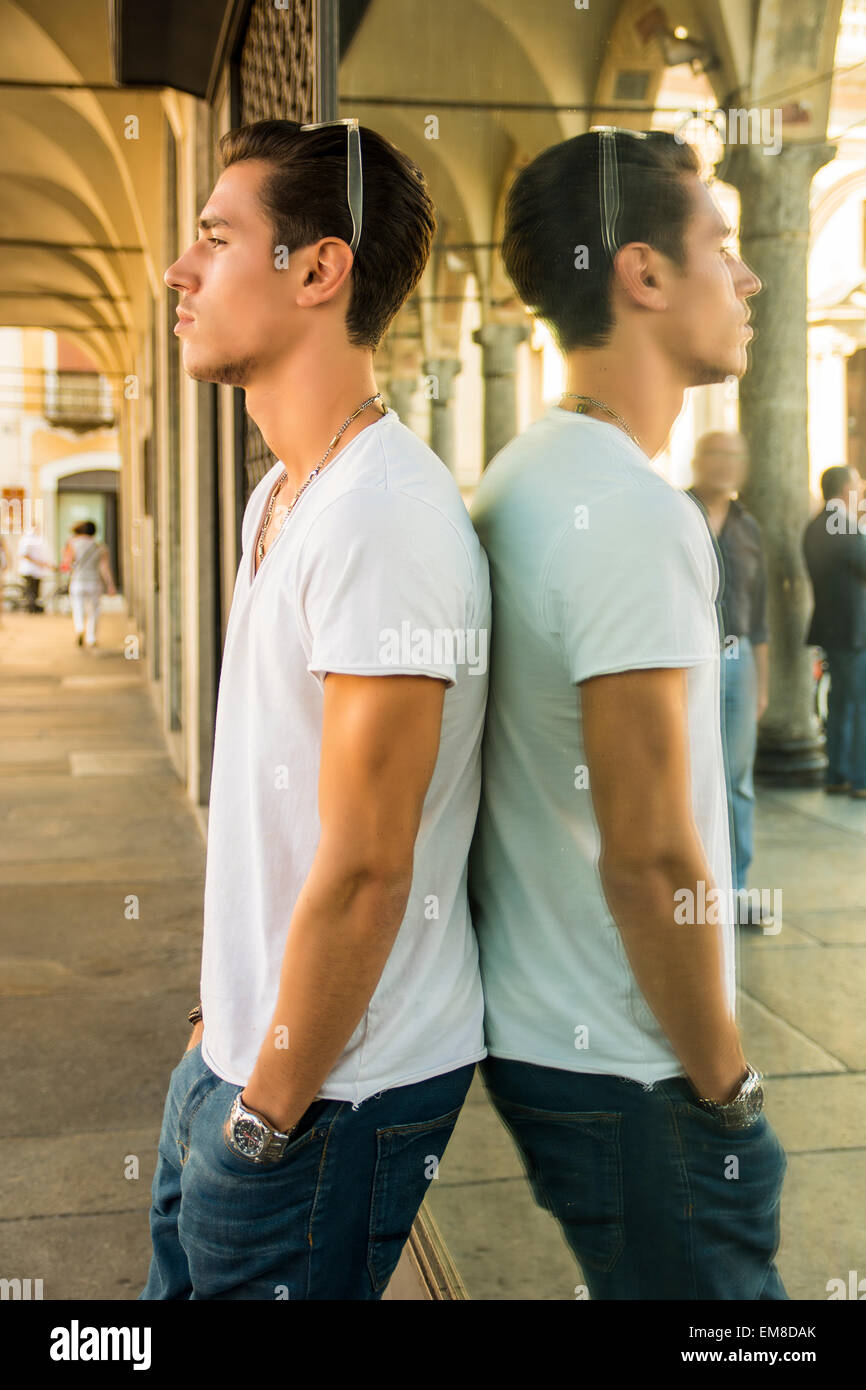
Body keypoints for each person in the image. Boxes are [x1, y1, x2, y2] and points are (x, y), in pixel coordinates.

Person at [140, 118, 490, 1301]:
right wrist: (215, 1030)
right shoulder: (280, 497)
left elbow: (364, 870)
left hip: (329, 1096)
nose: (178, 272)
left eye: (214, 237)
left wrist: (265, 1112)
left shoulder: (379, 517)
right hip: (236, 1056)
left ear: (318, 268)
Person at [469, 128, 787, 1299]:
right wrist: (725, 1086)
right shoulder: (632, 514)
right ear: (642, 274)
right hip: (633, 1068)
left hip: (550, 1038)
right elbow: (650, 857)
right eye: (722, 246)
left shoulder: (525, 472)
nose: (747, 278)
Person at [687, 431, 769, 921]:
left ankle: (735, 887)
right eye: (717, 454)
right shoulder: (675, 513)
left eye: (735, 456)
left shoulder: (748, 527)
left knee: (738, 779)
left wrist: (763, 679)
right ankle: (696, 887)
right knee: (690, 774)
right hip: (690, 656)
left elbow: (759, 613)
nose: (726, 465)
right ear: (699, 460)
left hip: (739, 661)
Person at [803, 464, 866, 798]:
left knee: (841, 702)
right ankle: (860, 779)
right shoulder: (841, 522)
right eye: (857, 484)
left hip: (832, 629)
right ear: (845, 489)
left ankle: (838, 773)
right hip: (853, 631)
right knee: (858, 704)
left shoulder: (816, 524)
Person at [60, 521, 117, 648]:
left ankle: (80, 628)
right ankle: (91, 638)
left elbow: (66, 564)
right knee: (94, 610)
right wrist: (110, 585)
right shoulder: (100, 546)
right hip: (94, 582)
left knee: (77, 607)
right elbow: (104, 568)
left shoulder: (73, 544)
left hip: (78, 581)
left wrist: (65, 550)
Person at [17, 524, 55, 612]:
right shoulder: (26, 539)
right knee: (31, 593)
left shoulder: (39, 539)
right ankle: (31, 610)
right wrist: (39, 563)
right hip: (29, 570)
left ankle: (34, 609)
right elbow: (24, 554)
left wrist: (46, 564)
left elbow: (41, 555)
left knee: (35, 592)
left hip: (37, 571)